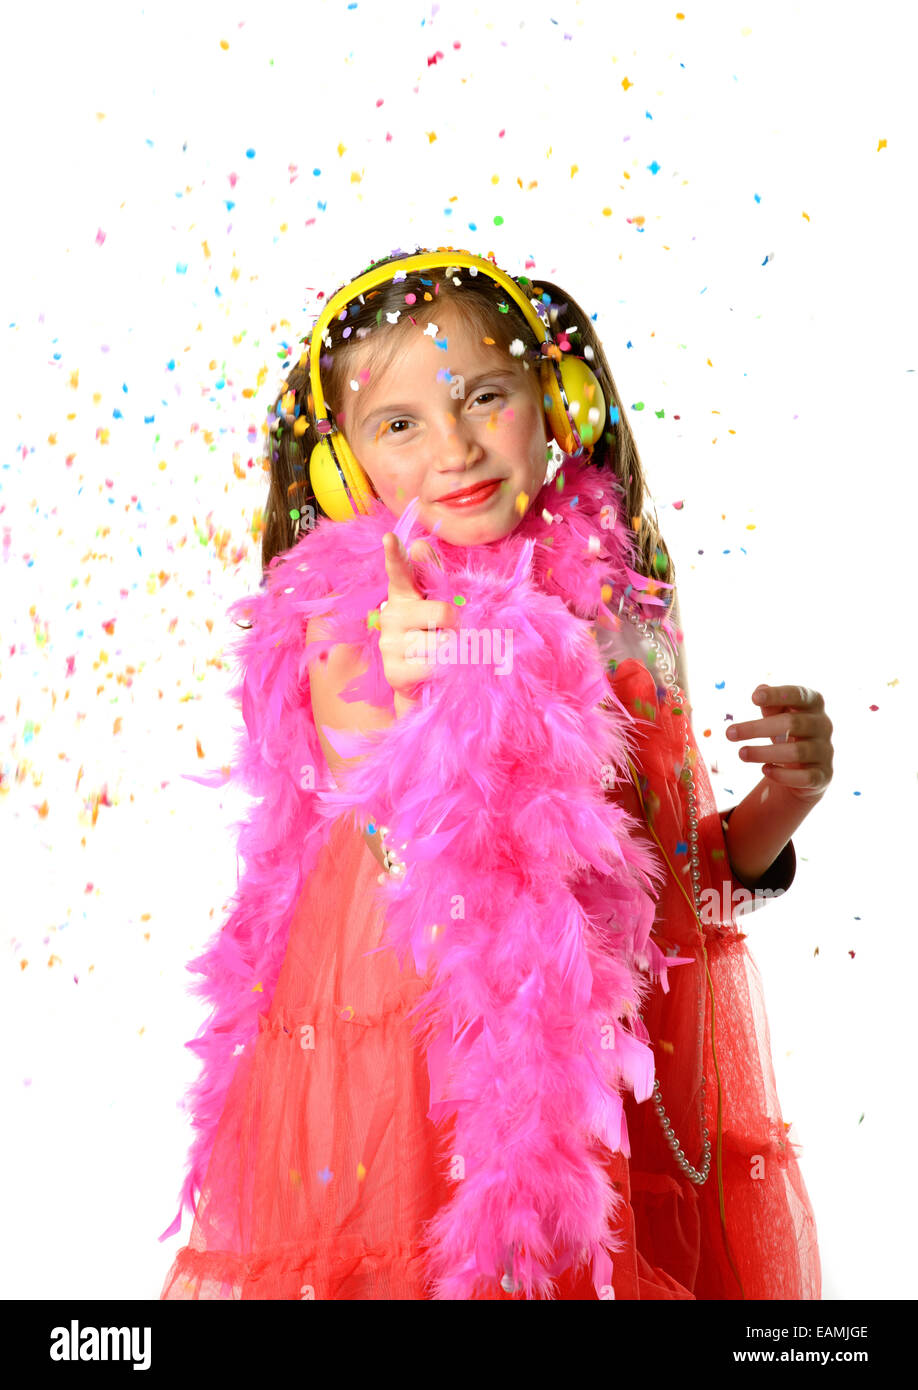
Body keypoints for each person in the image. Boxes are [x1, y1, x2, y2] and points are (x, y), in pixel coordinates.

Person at [159, 247, 831, 1300]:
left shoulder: (625, 609)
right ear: (349, 468)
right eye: (400, 424)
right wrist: (417, 683)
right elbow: (372, 796)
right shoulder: (355, 625)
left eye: (485, 395)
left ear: (555, 400)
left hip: (625, 1071)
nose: (458, 446)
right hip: (432, 1099)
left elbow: (684, 870)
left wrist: (782, 802)